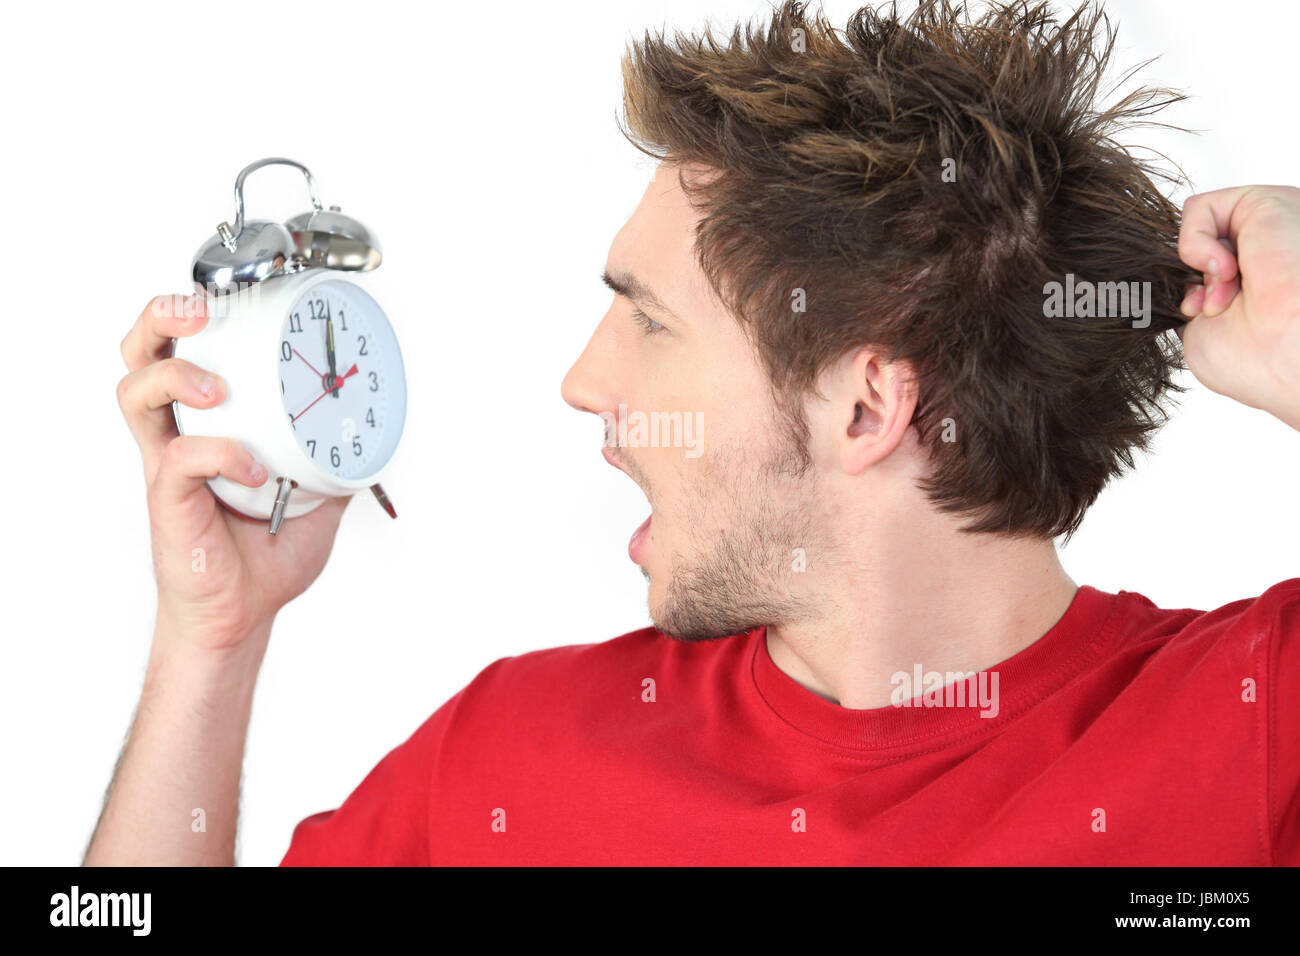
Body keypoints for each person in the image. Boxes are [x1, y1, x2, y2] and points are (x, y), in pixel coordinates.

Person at [88, 0, 1300, 865]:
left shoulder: (1248, 733)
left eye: (650, 323)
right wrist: (212, 645)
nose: (581, 381)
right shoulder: (514, 763)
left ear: (868, 406)